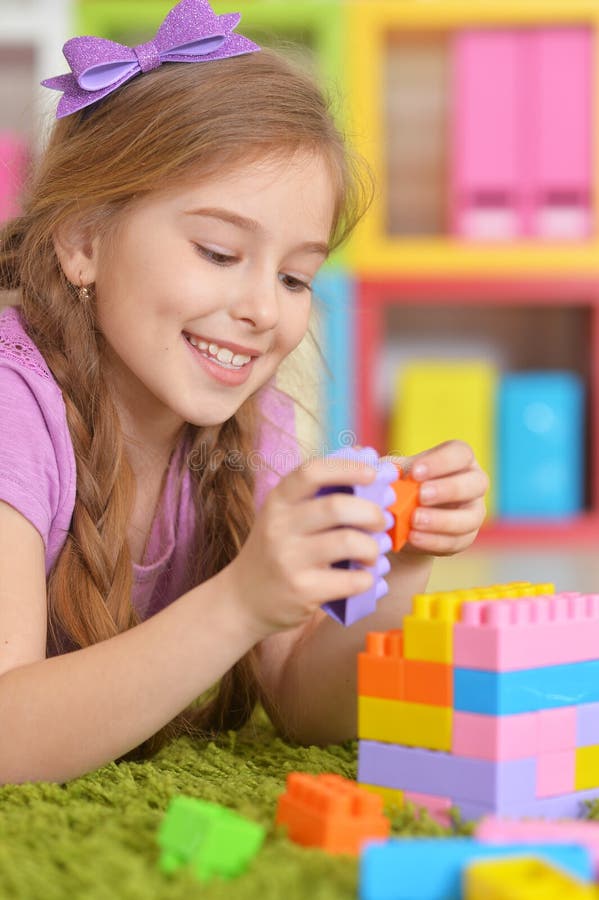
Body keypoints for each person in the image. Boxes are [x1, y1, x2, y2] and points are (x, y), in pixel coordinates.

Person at [0, 0, 488, 785]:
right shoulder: (12, 410)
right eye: (219, 251)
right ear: (84, 240)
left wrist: (399, 567)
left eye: (296, 276)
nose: (264, 309)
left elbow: (304, 707)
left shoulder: (250, 426)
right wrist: (238, 602)